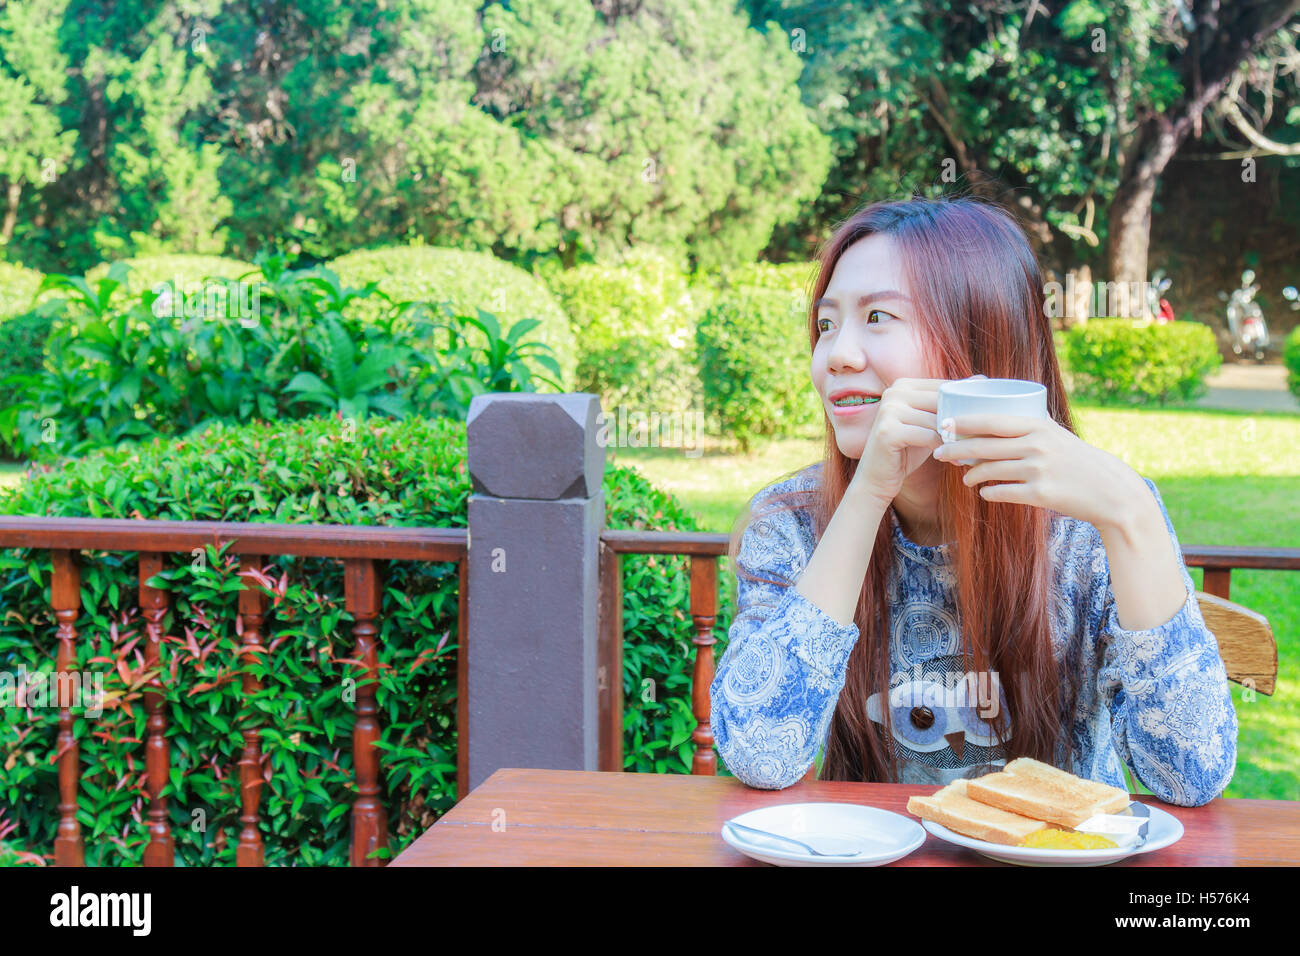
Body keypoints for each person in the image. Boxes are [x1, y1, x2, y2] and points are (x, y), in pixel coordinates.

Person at [709, 195, 1237, 806]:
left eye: (878, 317)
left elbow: (1190, 775)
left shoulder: (1093, 519)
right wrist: (867, 495)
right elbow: (759, 753)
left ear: (982, 340)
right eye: (826, 325)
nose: (837, 356)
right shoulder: (790, 523)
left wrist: (1133, 514)